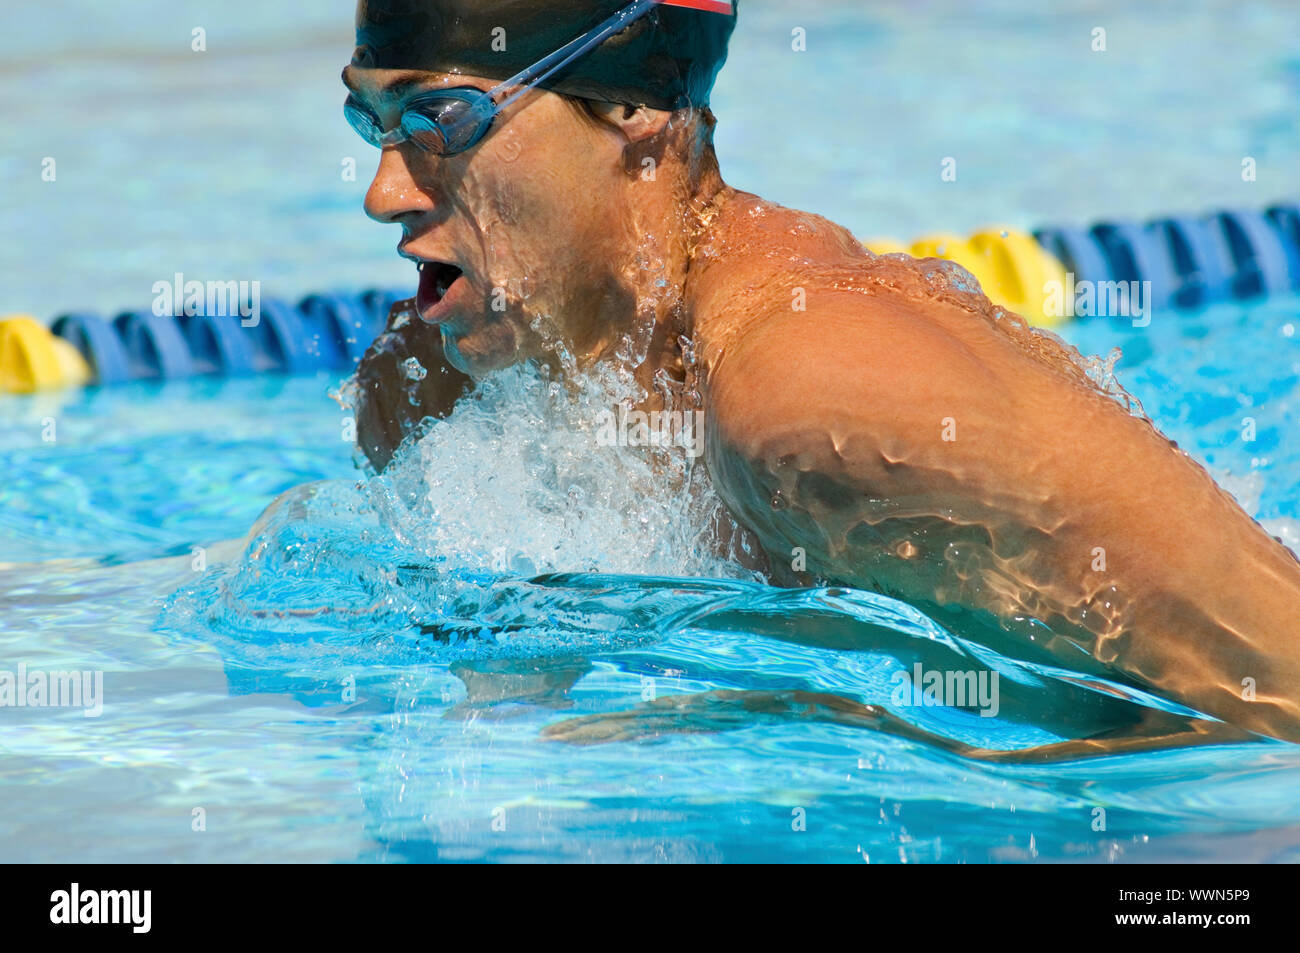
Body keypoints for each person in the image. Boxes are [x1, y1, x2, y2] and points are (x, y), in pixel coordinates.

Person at [342, 0, 1300, 754]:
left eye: (441, 119)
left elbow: (1272, 692)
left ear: (633, 105)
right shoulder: (431, 388)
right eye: (371, 121)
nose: (385, 190)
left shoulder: (813, 400)